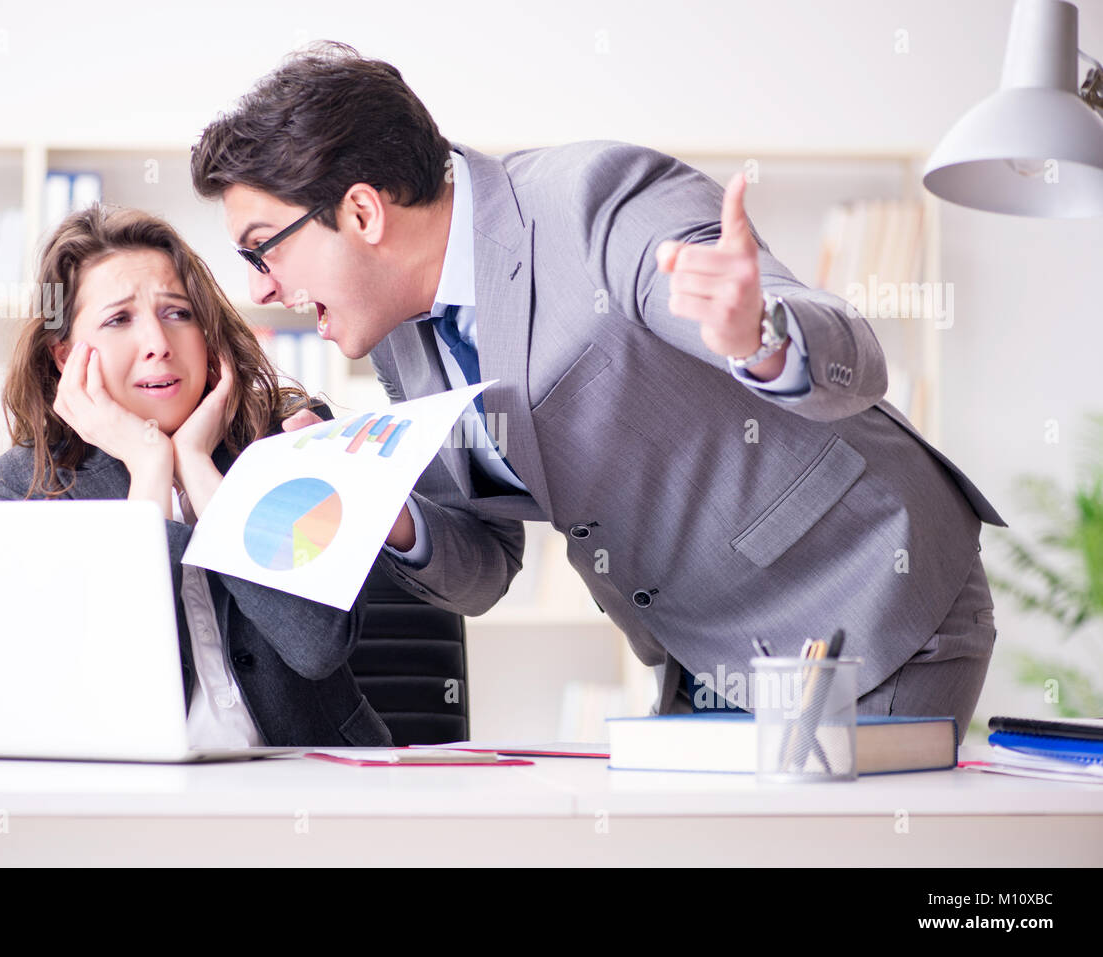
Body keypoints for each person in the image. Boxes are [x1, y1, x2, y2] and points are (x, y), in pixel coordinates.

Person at [189, 42, 1005, 741]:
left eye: (264, 250)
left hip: (865, 598)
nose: (262, 288)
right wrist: (387, 513)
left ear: (362, 211)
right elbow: (485, 568)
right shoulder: (402, 336)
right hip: (703, 651)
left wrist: (761, 334)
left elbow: (852, 353)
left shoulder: (596, 204)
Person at [0, 203, 392, 748]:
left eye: (178, 313)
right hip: (141, 794)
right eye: (118, 319)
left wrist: (200, 467)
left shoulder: (292, 438)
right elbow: (110, 682)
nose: (158, 342)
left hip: (316, 780)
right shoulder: (34, 483)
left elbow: (316, 644)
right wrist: (149, 470)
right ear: (66, 357)